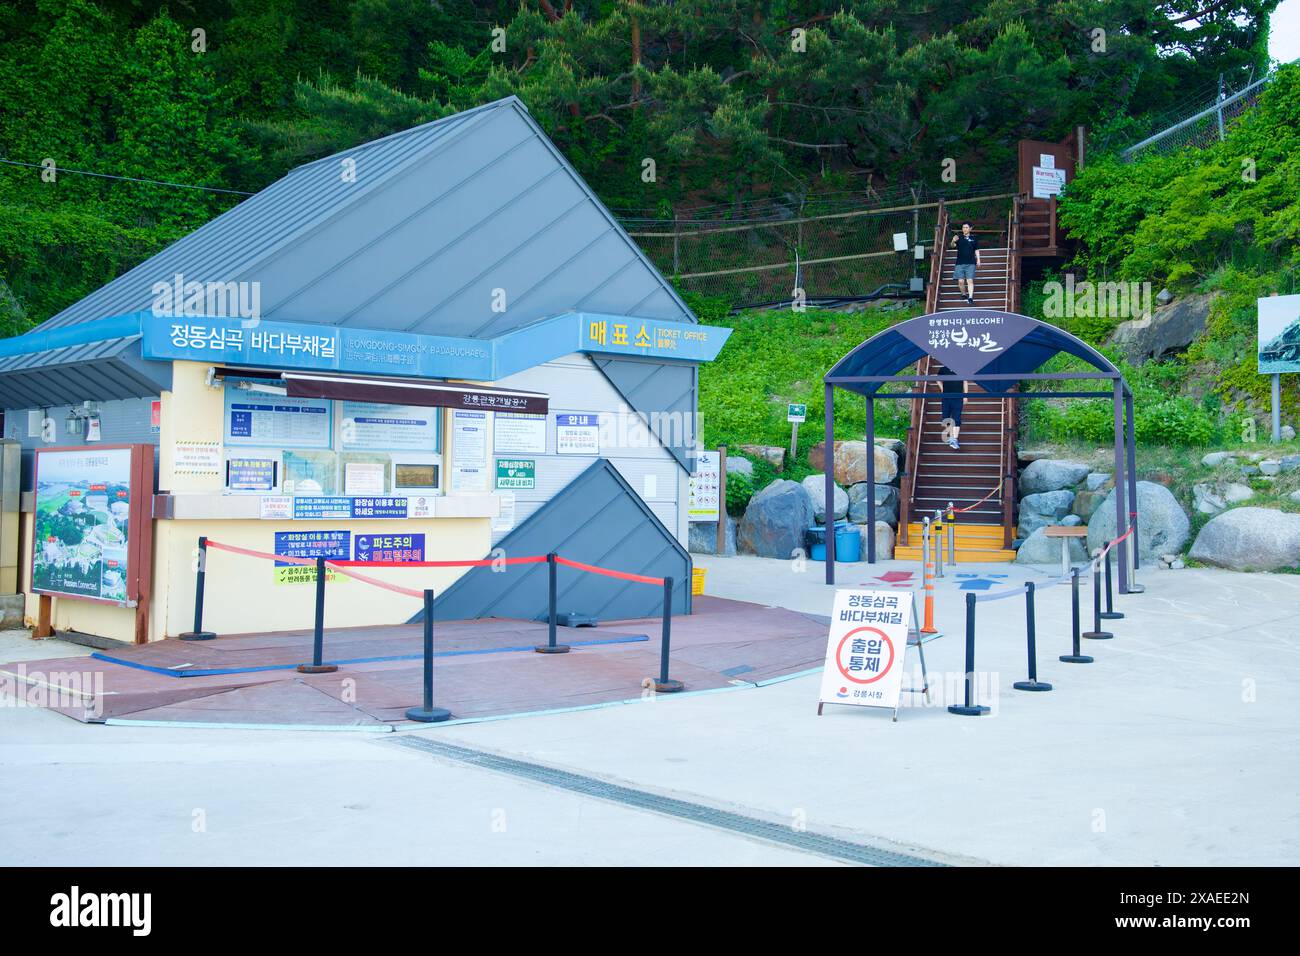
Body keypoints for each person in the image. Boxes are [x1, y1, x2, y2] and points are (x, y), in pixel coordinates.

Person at [949, 221, 981, 305]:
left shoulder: (974, 238)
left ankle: (970, 298)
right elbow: (952, 246)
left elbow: (976, 250)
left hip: (971, 262)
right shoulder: (959, 238)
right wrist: (953, 240)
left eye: (966, 227)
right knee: (961, 281)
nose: (964, 229)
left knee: (970, 280)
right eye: (963, 227)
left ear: (970, 228)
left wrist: (978, 259)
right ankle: (963, 294)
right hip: (960, 263)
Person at [937, 363, 967, 450]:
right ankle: (951, 438)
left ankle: (954, 439)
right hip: (946, 397)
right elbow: (938, 379)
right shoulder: (943, 369)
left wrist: (965, 396)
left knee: (957, 418)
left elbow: (965, 382)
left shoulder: (961, 368)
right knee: (946, 418)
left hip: (958, 397)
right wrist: (942, 389)